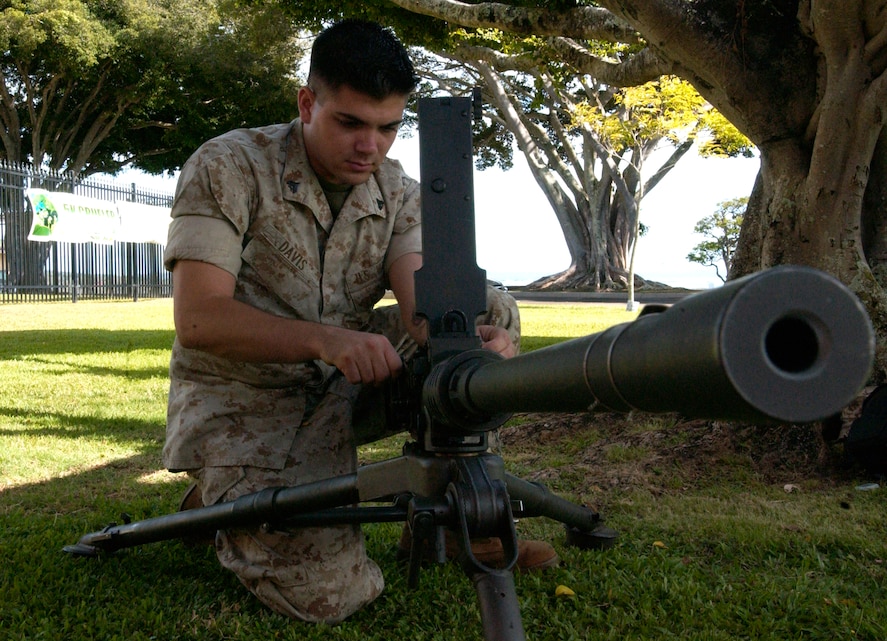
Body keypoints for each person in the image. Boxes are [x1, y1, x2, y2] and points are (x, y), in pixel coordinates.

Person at [162, 19, 556, 625]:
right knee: (330, 595)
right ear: (307, 103)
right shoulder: (228, 167)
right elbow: (199, 319)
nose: (370, 146)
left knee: (488, 307)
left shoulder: (397, 192)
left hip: (345, 385)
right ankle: (217, 494)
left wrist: (472, 346)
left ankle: (457, 517)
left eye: (388, 127)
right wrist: (327, 340)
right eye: (350, 122)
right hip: (245, 400)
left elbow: (423, 304)